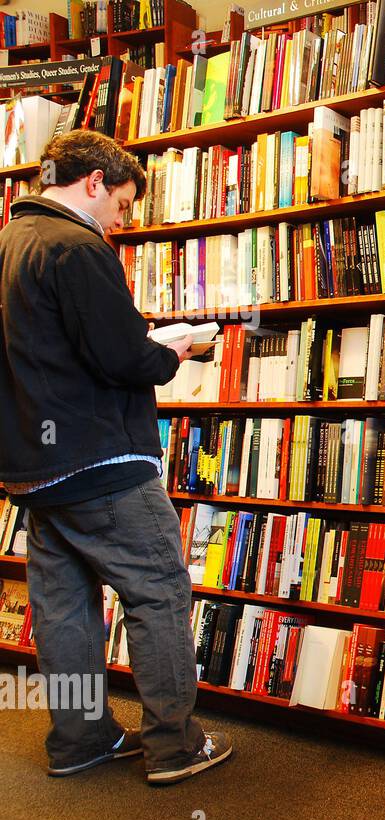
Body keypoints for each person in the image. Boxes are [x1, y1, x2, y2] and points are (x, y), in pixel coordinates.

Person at [0, 130, 232, 784]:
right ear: (95, 183)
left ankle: (80, 741)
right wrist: (173, 350)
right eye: (123, 204)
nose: (122, 219)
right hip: (101, 462)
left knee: (64, 608)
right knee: (157, 593)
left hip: (32, 468)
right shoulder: (76, 247)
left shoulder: (7, 244)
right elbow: (121, 358)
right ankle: (174, 746)